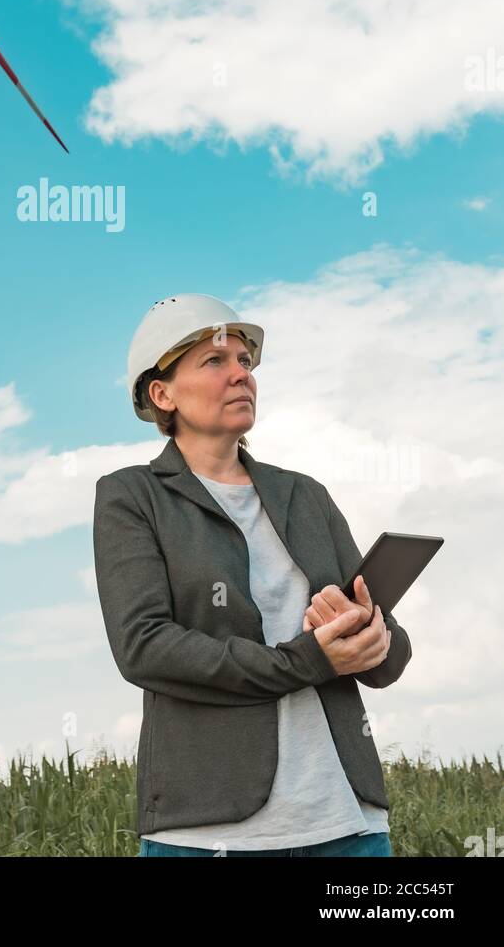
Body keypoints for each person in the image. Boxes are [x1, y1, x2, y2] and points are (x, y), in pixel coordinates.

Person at [92, 293, 412, 857]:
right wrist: (312, 658)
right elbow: (144, 647)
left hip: (345, 824)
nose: (241, 374)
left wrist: (375, 638)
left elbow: (385, 651)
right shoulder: (131, 497)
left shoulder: (305, 495)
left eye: (244, 361)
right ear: (161, 393)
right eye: (215, 362)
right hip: (207, 831)